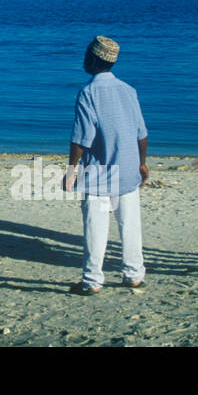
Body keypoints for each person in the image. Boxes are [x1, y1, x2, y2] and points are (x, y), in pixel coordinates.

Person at [63, 36, 148, 294]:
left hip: (100, 174)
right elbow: (141, 134)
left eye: (86, 55)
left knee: (95, 228)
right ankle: (134, 274)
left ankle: (92, 281)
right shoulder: (128, 90)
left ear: (93, 59)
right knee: (130, 225)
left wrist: (70, 170)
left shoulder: (88, 92)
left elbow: (81, 139)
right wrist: (142, 164)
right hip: (129, 169)